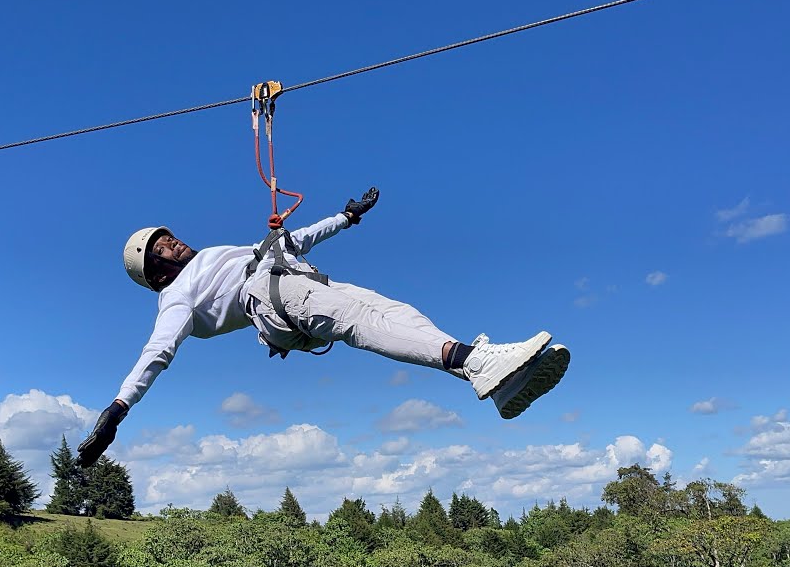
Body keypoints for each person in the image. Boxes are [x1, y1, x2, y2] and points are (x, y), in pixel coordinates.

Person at [78, 188, 569, 467]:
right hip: (271, 297)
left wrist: (345, 217)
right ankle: (478, 362)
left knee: (398, 313)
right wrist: (118, 409)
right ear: (156, 273)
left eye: (167, 236)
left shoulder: (213, 256)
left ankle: (496, 382)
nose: (172, 242)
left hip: (294, 278)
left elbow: (291, 242)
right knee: (361, 322)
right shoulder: (175, 297)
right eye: (161, 247)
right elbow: (157, 351)